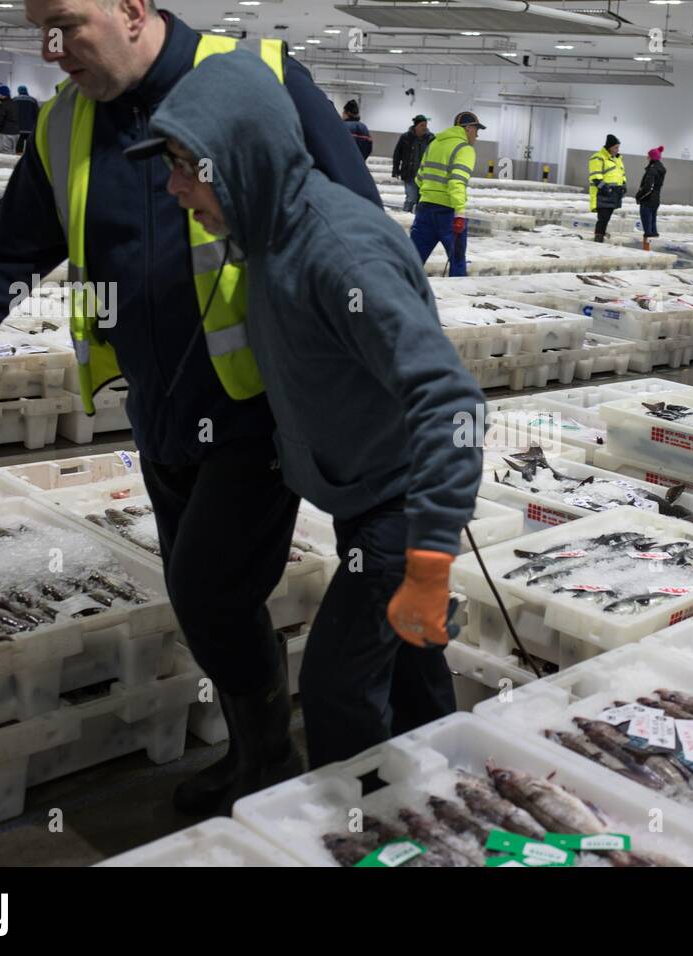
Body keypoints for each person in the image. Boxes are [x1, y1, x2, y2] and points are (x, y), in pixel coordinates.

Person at [0, 0, 380, 818]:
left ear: (133, 8)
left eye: (68, 22)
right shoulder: (65, 126)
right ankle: (257, 749)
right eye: (39, 25)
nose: (50, 47)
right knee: (204, 596)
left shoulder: (264, 80)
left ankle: (273, 761)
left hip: (261, 408)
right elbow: (0, 254)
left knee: (211, 588)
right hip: (159, 408)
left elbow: (357, 231)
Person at [138, 49, 484, 770]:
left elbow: (452, 401)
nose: (174, 188)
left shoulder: (339, 252)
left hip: (401, 507)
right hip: (363, 501)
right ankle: (441, 806)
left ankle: (357, 833)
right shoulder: (265, 235)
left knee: (334, 686)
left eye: (186, 165)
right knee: (413, 675)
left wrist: (427, 565)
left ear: (242, 157)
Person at [409, 111, 483, 277]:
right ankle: (458, 299)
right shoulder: (464, 149)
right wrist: (460, 213)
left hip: (424, 210)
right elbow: (456, 182)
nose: (477, 136)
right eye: (477, 130)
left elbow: (419, 178)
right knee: (457, 262)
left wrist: (430, 194)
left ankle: (397, 297)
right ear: (468, 128)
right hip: (448, 213)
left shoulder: (434, 144)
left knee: (412, 261)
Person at [392, 114, 433, 213]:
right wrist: (396, 170)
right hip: (409, 174)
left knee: (421, 201)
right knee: (411, 199)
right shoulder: (405, 137)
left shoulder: (431, 138)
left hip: (424, 176)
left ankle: (417, 222)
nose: (425, 127)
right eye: (422, 125)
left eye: (425, 125)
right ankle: (405, 217)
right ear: (416, 126)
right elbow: (397, 154)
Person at [588, 134, 626, 243]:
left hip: (614, 194)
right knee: (603, 218)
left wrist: (623, 185)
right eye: (615, 147)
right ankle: (598, 237)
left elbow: (621, 174)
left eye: (618, 147)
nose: (617, 150)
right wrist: (606, 189)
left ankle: (602, 234)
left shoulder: (617, 159)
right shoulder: (598, 157)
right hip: (603, 194)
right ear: (609, 147)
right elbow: (595, 177)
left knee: (607, 217)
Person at [634, 145, 666, 251]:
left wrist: (639, 196)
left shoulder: (652, 170)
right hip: (655, 200)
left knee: (647, 229)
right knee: (652, 227)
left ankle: (647, 250)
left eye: (648, 156)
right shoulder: (660, 168)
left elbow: (648, 187)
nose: (647, 157)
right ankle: (653, 250)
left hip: (648, 200)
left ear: (652, 157)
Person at [0, 86, 20, 155]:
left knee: (6, 153)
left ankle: (8, 166)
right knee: (13, 151)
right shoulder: (15, 103)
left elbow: (0, 118)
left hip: (6, 132)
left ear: (2, 95)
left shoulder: (3, 105)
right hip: (16, 132)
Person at [13, 85, 39, 154]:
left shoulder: (14, 99)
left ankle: (18, 157)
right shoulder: (33, 100)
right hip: (30, 127)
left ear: (19, 91)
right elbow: (37, 113)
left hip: (18, 127)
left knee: (19, 145)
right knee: (30, 146)